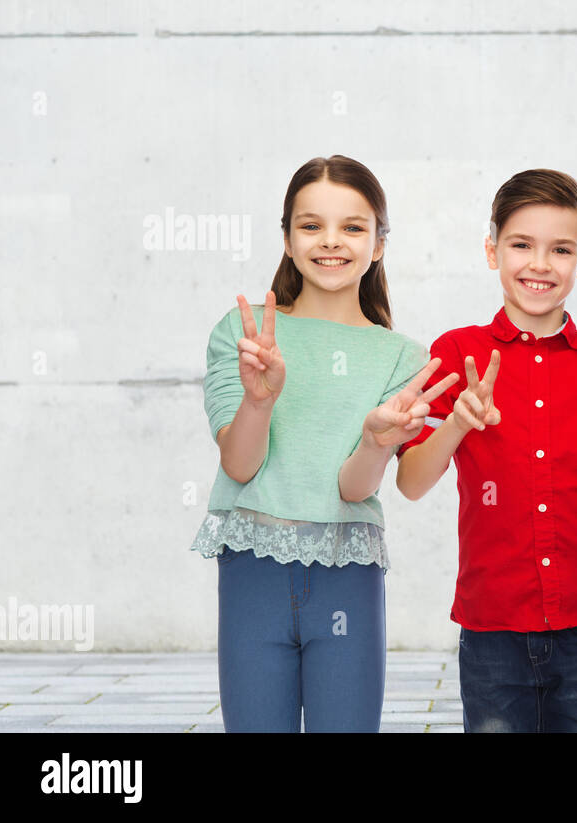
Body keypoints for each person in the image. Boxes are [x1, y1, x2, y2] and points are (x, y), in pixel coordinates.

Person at [190, 155, 455, 732]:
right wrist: (259, 400)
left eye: (352, 227)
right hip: (252, 569)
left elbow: (355, 488)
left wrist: (375, 441)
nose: (330, 242)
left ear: (379, 243)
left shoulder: (402, 358)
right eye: (311, 226)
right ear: (286, 238)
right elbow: (239, 465)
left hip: (348, 576)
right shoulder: (243, 334)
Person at [396, 168, 577, 732]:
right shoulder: (456, 351)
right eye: (521, 245)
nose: (540, 264)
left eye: (560, 249)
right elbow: (411, 483)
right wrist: (457, 426)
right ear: (492, 251)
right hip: (494, 628)